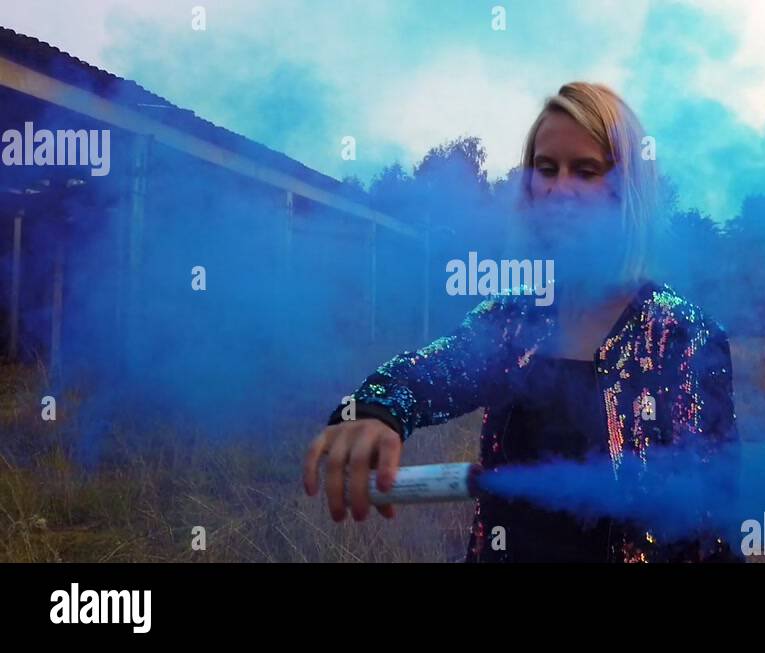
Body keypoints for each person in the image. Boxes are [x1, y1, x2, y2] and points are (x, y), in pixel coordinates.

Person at [303, 82, 741, 562]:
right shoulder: (514, 319)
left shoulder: (681, 334)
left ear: (628, 192)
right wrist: (375, 412)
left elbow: (710, 524)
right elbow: (429, 372)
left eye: (586, 170)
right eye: (546, 169)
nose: (558, 189)